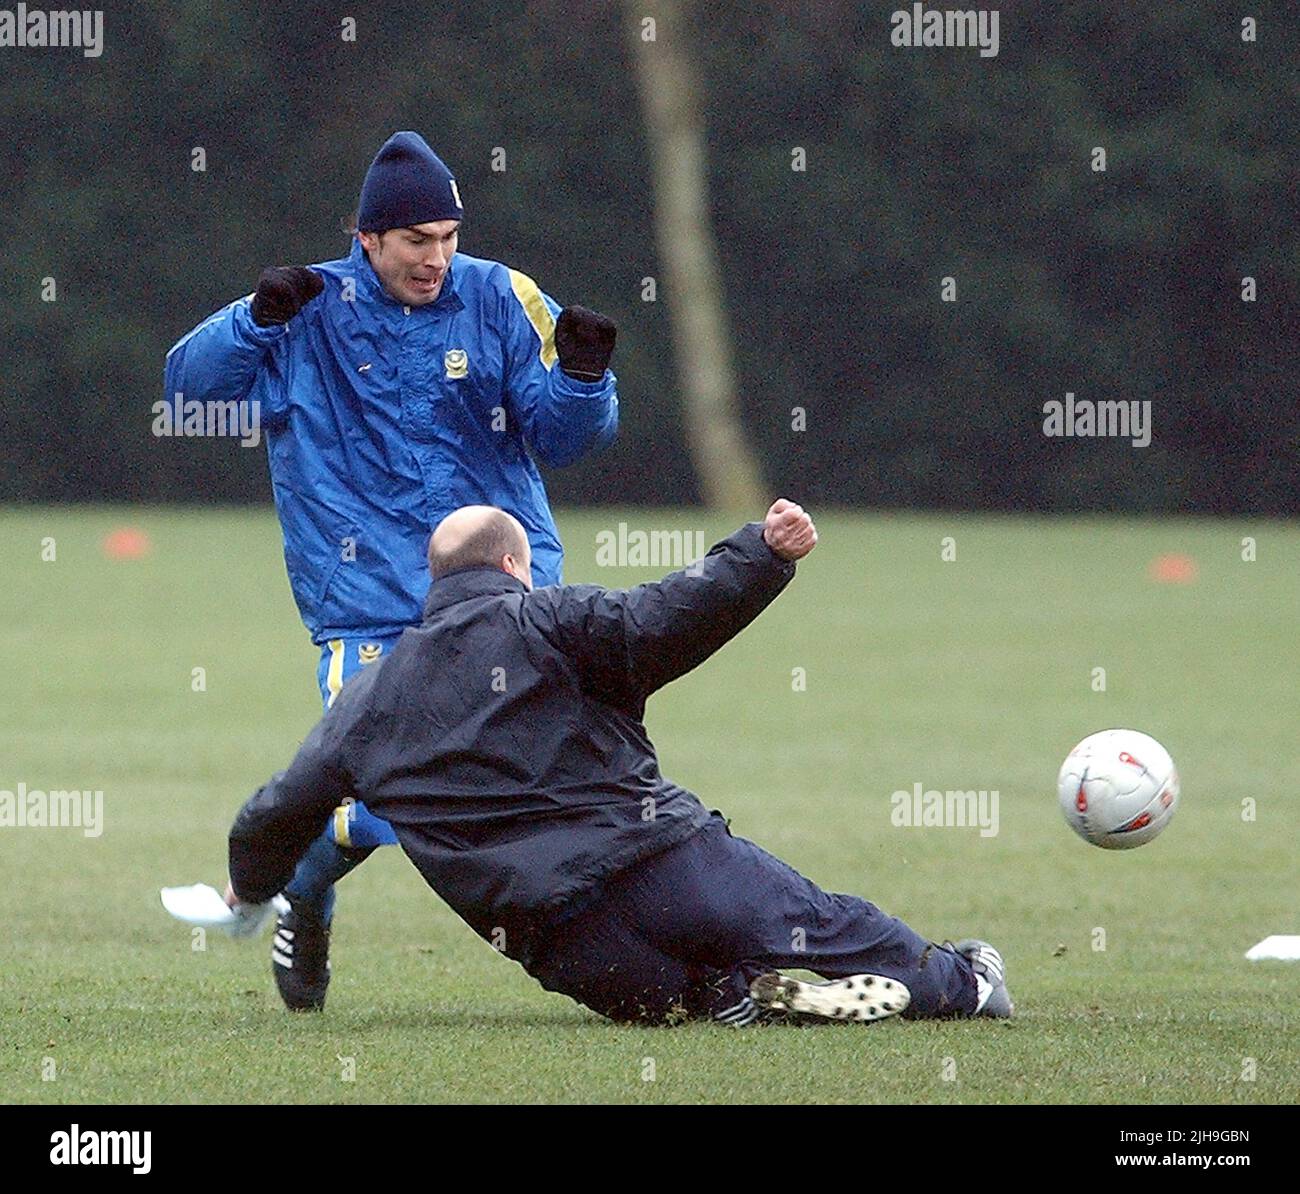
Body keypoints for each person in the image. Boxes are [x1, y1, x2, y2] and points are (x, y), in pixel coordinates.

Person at [226, 500, 1013, 1026]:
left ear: (435, 584)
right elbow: (667, 616)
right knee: (830, 927)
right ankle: (970, 984)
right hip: (662, 864)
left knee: (684, 1009)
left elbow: (276, 810)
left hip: (559, 941)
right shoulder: (545, 618)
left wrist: (251, 887)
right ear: (513, 566)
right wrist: (762, 554)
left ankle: (730, 997)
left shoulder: (368, 702)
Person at [164, 131, 619, 1011]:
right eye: (417, 241)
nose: (437, 258)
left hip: (505, 593)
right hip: (367, 600)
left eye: (448, 236)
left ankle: (637, 952)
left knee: (552, 778)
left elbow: (564, 441)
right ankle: (301, 889)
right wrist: (252, 320)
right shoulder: (306, 309)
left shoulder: (502, 296)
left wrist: (585, 382)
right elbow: (188, 388)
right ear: (367, 237)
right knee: (377, 796)